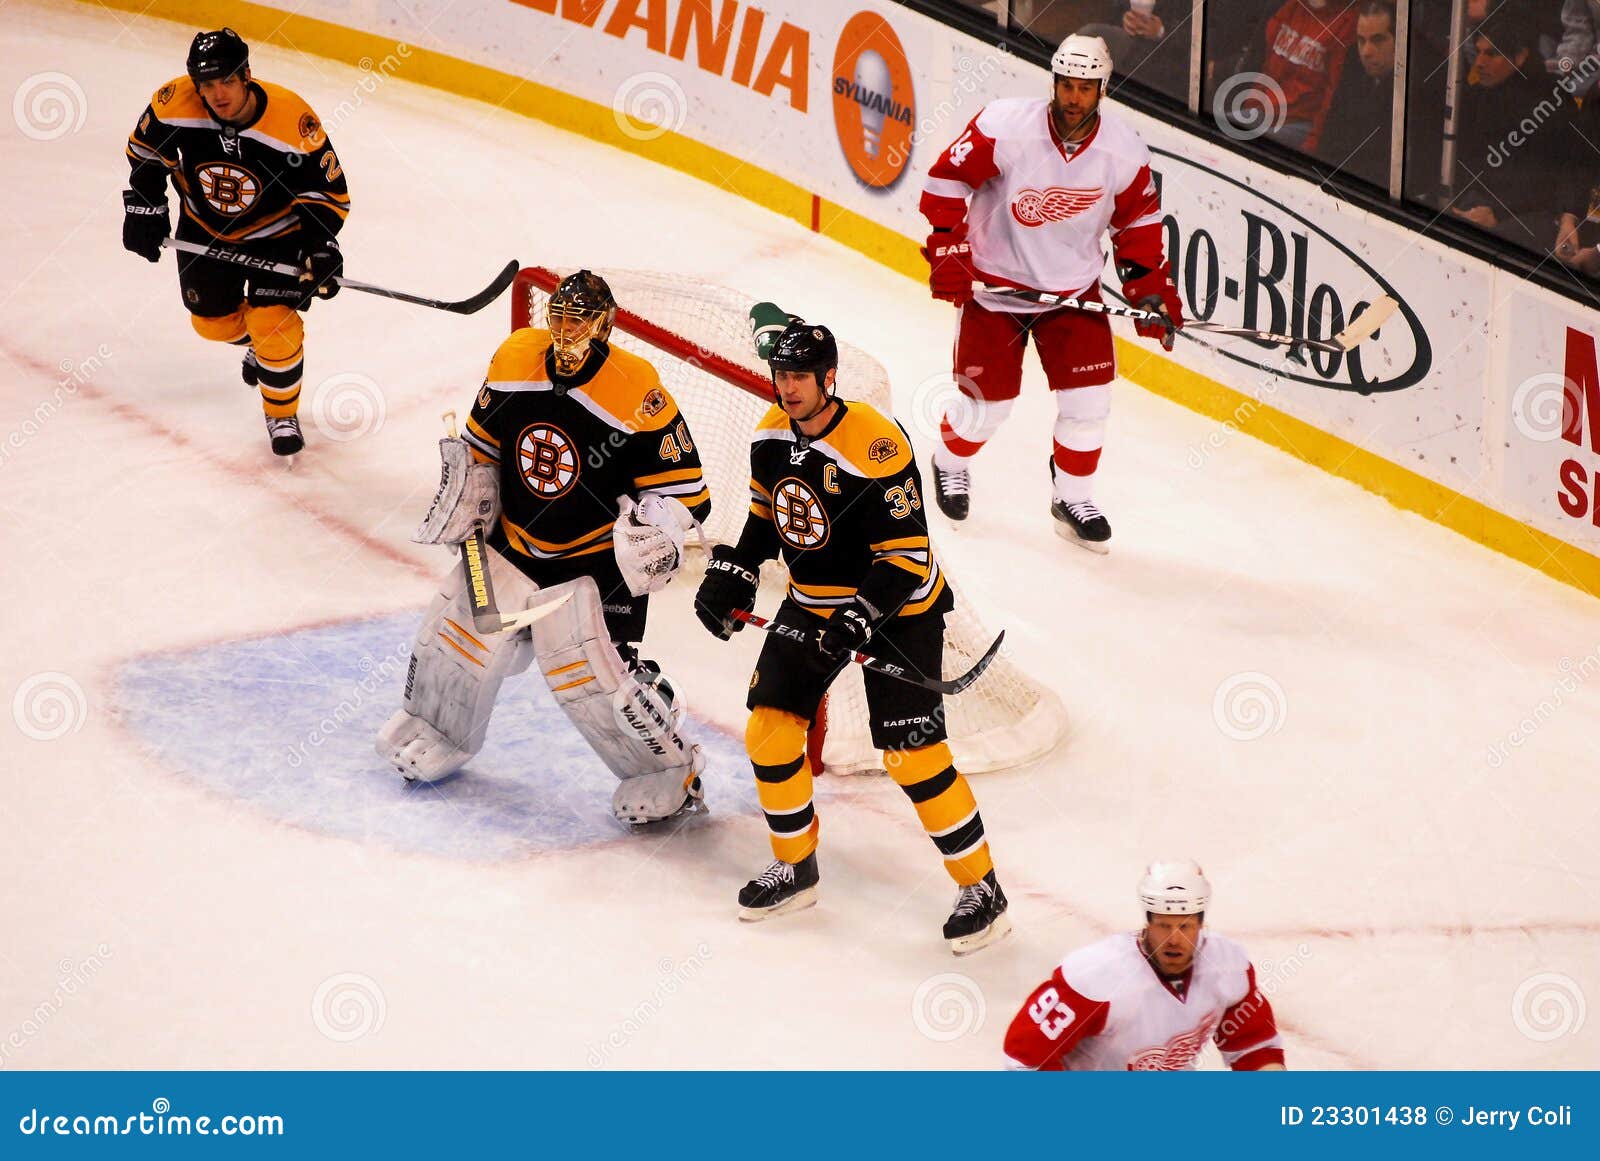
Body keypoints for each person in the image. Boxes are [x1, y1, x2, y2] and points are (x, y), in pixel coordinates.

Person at [692, 320, 1011, 954]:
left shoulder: (876, 443)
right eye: (782, 375)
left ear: (828, 378)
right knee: (769, 730)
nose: (788, 387)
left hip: (899, 610)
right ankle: (796, 868)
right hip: (813, 604)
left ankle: (984, 890)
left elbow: (906, 557)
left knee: (912, 756)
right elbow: (765, 519)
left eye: (800, 376)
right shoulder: (769, 434)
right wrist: (735, 571)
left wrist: (861, 617)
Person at [377, 271, 714, 827]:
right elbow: (481, 447)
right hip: (513, 541)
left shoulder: (636, 388)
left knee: (597, 681)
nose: (564, 330)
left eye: (578, 320)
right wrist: (469, 497)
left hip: (593, 561)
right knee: (454, 636)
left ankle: (669, 772)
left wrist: (657, 528)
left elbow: (688, 493)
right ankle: (438, 730)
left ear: (603, 326)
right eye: (557, 316)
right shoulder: (516, 358)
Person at [919, 34, 1183, 553]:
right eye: (1066, 85)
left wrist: (1150, 291)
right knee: (986, 408)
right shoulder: (1005, 125)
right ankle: (948, 463)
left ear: (1102, 89)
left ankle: (1073, 498)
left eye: (1085, 88)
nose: (1073, 98)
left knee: (1089, 404)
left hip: (1070, 294)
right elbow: (946, 181)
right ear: (1055, 82)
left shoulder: (1123, 150)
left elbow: (1137, 226)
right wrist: (948, 246)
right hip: (996, 290)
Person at [123, 28, 350, 457]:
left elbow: (326, 194)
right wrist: (145, 207)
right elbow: (146, 155)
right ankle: (263, 351)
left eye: (226, 80)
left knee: (273, 327)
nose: (217, 94)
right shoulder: (174, 104)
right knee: (211, 324)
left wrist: (321, 247)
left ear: (246, 75)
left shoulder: (291, 118)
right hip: (203, 229)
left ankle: (281, 414)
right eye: (206, 84)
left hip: (277, 235)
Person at [1003, 861, 1288, 1070]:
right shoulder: (1097, 977)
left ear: (1201, 924)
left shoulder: (1227, 968)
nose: (1174, 939)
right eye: (1164, 926)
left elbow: (1254, 1049)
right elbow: (1024, 1059)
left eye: (1185, 926)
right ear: (1148, 923)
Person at [1446, 8, 1575, 251]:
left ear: (1520, 56)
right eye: (1478, 52)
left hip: (1535, 213)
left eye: (1491, 54)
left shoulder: (1551, 99)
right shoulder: (1481, 95)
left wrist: (1497, 212)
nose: (1479, 63)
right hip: (1481, 200)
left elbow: (1550, 180)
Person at [1316, 2, 1399, 185]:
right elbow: (1332, 127)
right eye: (1361, 40)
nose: (1366, 52)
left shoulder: (1414, 87)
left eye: (1378, 40)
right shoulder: (1353, 62)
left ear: (1399, 41)